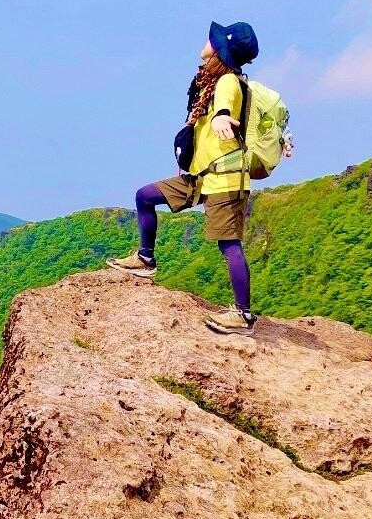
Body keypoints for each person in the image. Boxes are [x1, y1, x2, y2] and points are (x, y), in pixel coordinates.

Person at [107, 21, 260, 335]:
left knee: (229, 244)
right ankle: (146, 259)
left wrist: (221, 118)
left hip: (226, 180)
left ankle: (243, 315)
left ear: (221, 51)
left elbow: (225, 107)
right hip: (201, 177)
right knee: (145, 196)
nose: (207, 40)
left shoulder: (228, 82)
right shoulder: (211, 81)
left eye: (214, 39)